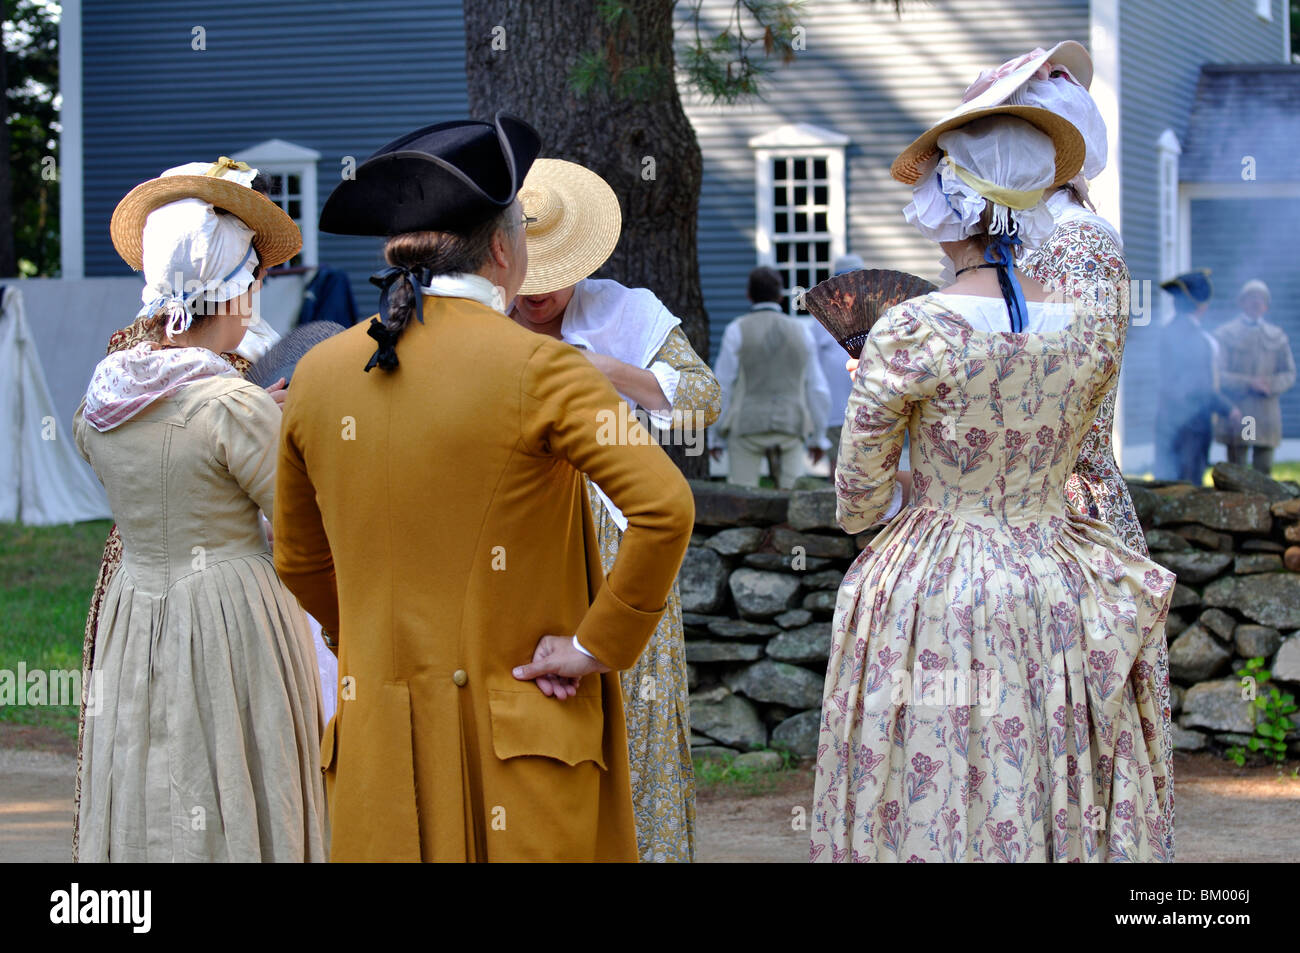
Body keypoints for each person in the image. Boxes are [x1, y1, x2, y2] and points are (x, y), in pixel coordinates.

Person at [275, 114, 696, 862]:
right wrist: (597, 645)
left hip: (377, 748)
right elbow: (665, 508)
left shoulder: (318, 373)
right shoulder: (546, 368)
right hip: (521, 741)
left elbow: (299, 560)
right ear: (503, 249)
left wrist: (373, 638)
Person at [811, 101, 1175, 862]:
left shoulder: (912, 329)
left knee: (939, 779)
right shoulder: (1085, 324)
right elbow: (1068, 443)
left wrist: (917, 483)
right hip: (1056, 576)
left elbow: (856, 500)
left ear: (956, 204)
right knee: (1043, 773)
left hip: (937, 585)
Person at [73, 158, 328, 861]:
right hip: (228, 613)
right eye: (256, 280)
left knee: (148, 769)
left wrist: (254, 418)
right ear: (236, 291)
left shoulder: (102, 400)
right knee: (233, 773)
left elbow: (167, 458)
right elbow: (305, 529)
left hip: (137, 608)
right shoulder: (232, 404)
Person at [509, 158, 720, 863]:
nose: (538, 298)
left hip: (616, 546)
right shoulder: (477, 318)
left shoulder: (623, 312)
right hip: (513, 550)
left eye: (554, 279)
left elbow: (702, 406)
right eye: (526, 282)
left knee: (634, 709)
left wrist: (607, 373)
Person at [712, 266, 832, 487]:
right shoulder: (801, 332)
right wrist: (818, 438)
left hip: (747, 424)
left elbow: (723, 386)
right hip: (791, 425)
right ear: (779, 295)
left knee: (741, 493)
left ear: (749, 295)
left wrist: (715, 436)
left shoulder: (736, 330)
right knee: (793, 498)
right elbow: (817, 389)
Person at [1155, 270, 1238, 483]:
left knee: (1167, 483)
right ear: (1202, 305)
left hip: (1168, 420)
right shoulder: (1193, 340)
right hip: (1191, 424)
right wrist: (1229, 409)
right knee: (1187, 487)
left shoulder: (1168, 332)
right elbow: (1198, 386)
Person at [1214, 279, 1295, 474]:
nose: (1256, 303)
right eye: (1251, 298)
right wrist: (1248, 383)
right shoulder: (1226, 335)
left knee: (1264, 469)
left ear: (1266, 306)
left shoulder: (1277, 336)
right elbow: (1218, 374)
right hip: (1239, 412)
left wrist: (1270, 384)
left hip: (1266, 414)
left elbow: (1289, 373)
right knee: (1237, 469)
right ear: (1242, 303)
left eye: (1261, 299)